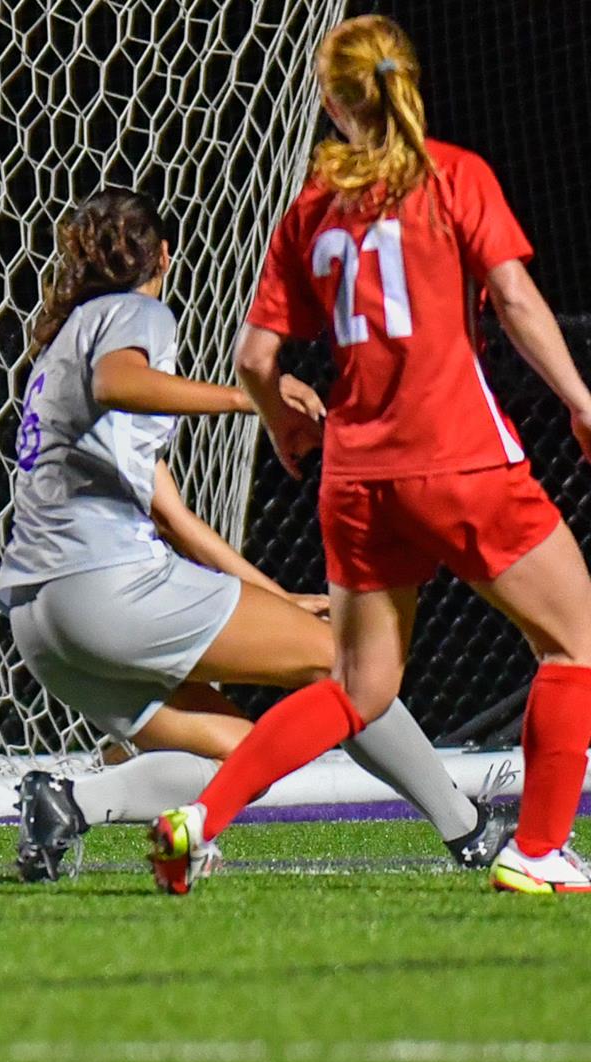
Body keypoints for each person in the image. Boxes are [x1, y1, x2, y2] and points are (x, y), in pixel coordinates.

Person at [151, 15, 591, 894]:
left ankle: (199, 818)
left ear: (330, 101)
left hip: (358, 481)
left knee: (358, 686)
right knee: (575, 639)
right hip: (460, 460)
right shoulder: (451, 176)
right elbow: (513, 297)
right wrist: (581, 400)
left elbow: (253, 359)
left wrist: (281, 424)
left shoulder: (312, 209)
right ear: (407, 82)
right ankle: (540, 849)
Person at [0, 188, 510, 883]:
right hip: (108, 581)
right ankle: (469, 828)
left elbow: (176, 517)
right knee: (349, 669)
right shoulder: (134, 313)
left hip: (41, 619)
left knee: (242, 758)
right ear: (166, 257)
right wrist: (254, 398)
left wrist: (280, 600)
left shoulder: (62, 346)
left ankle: (67, 801)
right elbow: (121, 381)